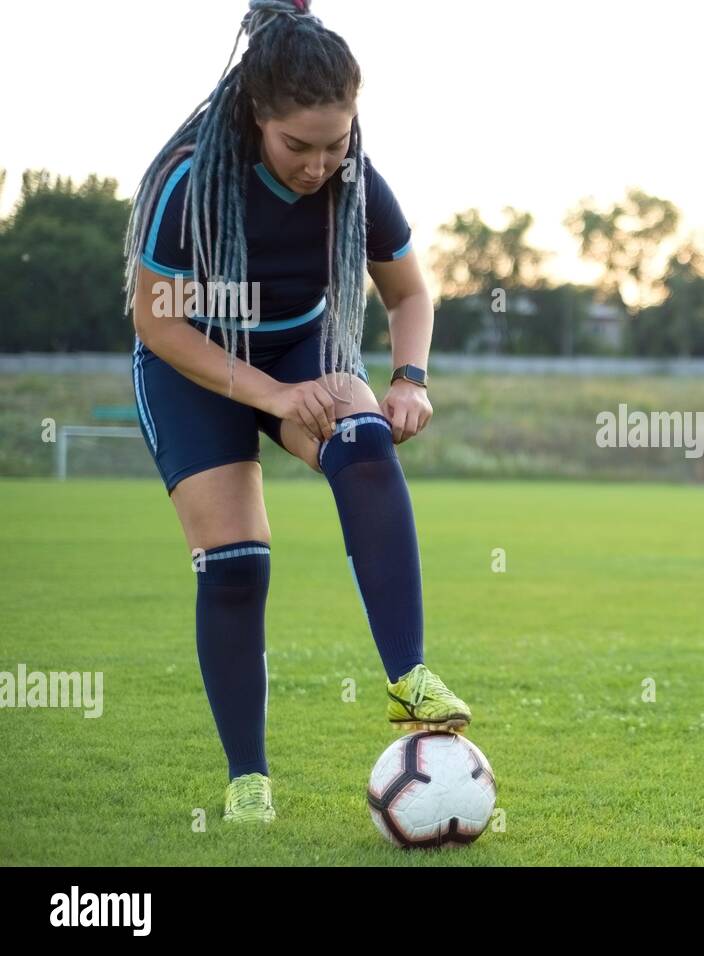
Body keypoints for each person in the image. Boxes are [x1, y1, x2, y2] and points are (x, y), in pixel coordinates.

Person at [124, 0, 470, 825]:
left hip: (296, 346)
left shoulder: (354, 176)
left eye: (336, 143)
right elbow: (156, 320)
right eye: (298, 146)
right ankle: (249, 780)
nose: (319, 166)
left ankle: (408, 675)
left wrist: (410, 378)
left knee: (363, 440)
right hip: (193, 367)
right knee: (238, 564)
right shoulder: (188, 179)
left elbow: (409, 290)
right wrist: (273, 396)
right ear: (256, 116)